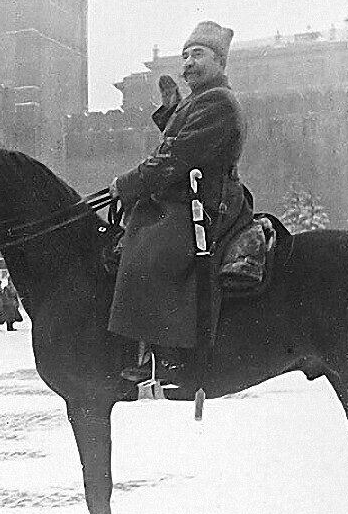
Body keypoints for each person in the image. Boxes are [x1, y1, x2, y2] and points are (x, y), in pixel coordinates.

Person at [108, 21, 254, 385]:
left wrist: (127, 184)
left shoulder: (218, 100)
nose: (188, 62)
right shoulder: (202, 100)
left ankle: (165, 356)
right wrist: (171, 112)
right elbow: (181, 141)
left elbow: (177, 156)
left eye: (198, 54)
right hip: (190, 197)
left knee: (151, 250)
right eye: (185, 55)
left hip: (208, 202)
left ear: (220, 61)